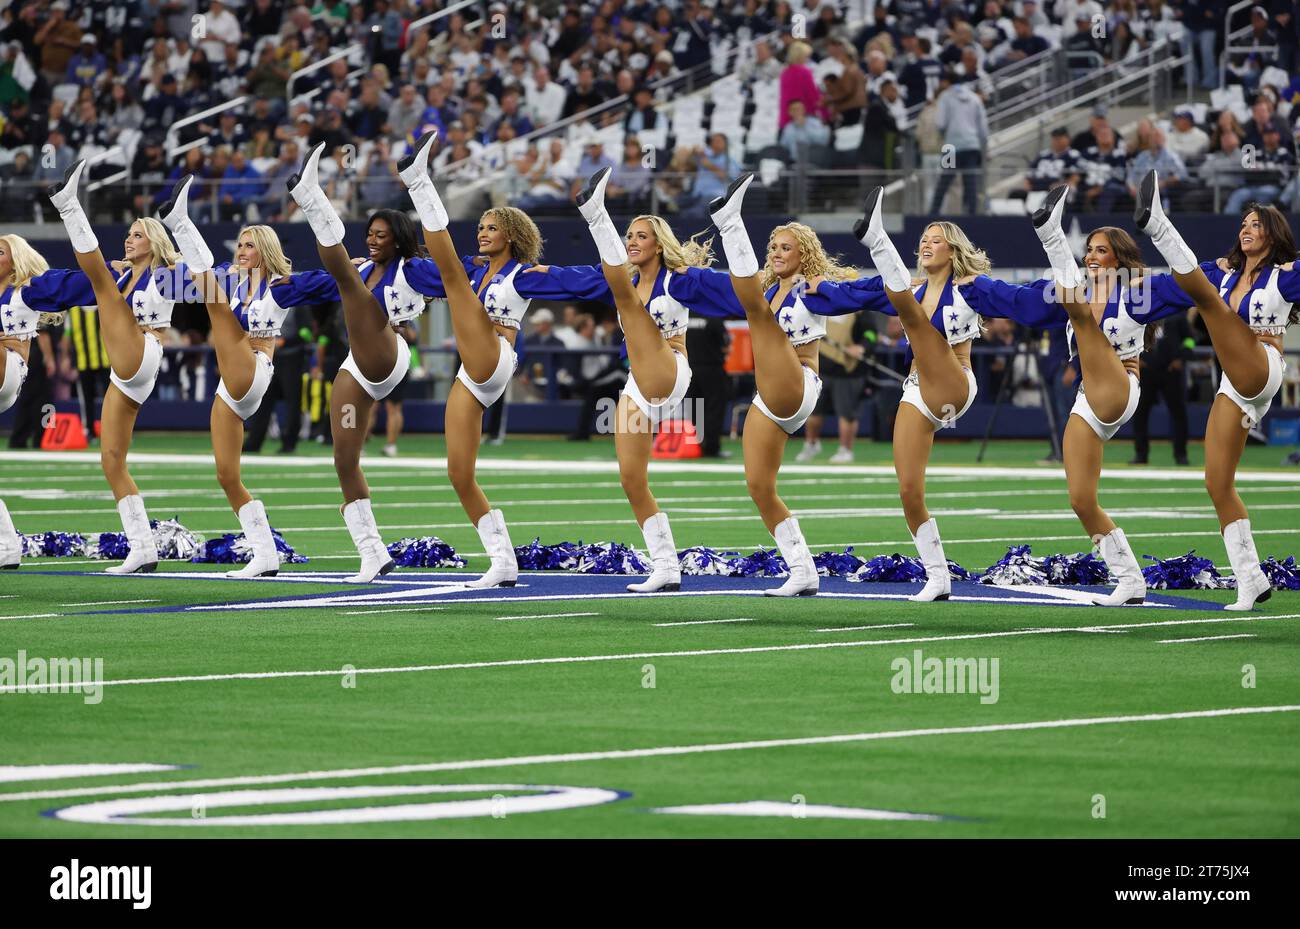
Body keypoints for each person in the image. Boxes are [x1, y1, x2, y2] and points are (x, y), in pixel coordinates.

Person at [965, 187, 1198, 606]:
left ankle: (1050, 232)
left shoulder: (1138, 290)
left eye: (1102, 251)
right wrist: (971, 285)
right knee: (1080, 498)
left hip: (1121, 386)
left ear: (1120, 259)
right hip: (1086, 399)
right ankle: (1129, 580)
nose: (1092, 256)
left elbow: (1191, 285)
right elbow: (1016, 301)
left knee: (1080, 313)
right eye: (1088, 249)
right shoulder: (1067, 293)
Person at [519, 186, 735, 593]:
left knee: (623, 293)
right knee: (631, 478)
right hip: (638, 381)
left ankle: (594, 211)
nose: (632, 242)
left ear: (658, 245)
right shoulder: (623, 280)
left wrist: (769, 286)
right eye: (628, 236)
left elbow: (729, 292)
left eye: (640, 236)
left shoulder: (679, 281)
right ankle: (666, 565)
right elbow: (579, 278)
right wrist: (544, 273)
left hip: (671, 368)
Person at [805, 193, 990, 602]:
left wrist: (1069, 299)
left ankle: (877, 237)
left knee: (906, 307)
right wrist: (819, 288)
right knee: (908, 490)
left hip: (954, 382)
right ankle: (938, 577)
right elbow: (856, 296)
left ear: (953, 250)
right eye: (924, 238)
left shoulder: (972, 289)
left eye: (936, 240)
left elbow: (1025, 301)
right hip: (917, 390)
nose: (926, 244)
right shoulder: (909, 288)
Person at [154, 175, 340, 578]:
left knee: (214, 299)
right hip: (230, 383)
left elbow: (330, 282)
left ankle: (181, 220)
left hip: (256, 368)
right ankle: (264, 553)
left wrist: (356, 268)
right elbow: (178, 279)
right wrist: (146, 268)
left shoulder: (279, 287)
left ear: (266, 251)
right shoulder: (225, 276)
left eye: (249, 245)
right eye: (239, 244)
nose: (241, 250)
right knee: (227, 475)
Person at [1135, 173, 1299, 610]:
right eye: (1243, 224)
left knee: (1206, 297)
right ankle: (1250, 580)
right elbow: (1164, 291)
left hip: (1264, 365)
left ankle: (1158, 224)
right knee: (1216, 481)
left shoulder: (1284, 276)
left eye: (1256, 225)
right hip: (1234, 382)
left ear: (1274, 234)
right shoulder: (1222, 275)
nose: (1246, 229)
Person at [396, 131, 548, 589]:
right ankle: (502, 561)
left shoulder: (524, 273)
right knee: (458, 472)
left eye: (491, 227)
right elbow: (425, 269)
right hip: (470, 371)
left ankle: (419, 180)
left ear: (512, 236)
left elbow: (580, 283)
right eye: (479, 226)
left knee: (453, 276)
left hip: (497, 355)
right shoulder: (474, 268)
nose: (482, 232)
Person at [708, 174, 856, 596]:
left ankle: (730, 221)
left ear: (803, 253)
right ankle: (802, 569)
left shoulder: (815, 289)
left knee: (752, 307)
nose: (775, 253)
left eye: (784, 247)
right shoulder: (766, 291)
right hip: (768, 395)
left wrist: (912, 292)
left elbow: (863, 293)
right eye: (772, 246)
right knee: (758, 485)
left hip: (801, 383)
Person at [798, 310, 871, 464]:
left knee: (847, 413)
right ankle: (811, 444)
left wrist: (861, 347)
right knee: (813, 411)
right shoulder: (822, 307)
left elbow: (872, 333)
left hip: (848, 371)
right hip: (821, 368)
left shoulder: (860, 311)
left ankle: (845, 450)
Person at [1131, 310, 1193, 466]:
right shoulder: (1142, 314)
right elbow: (1130, 338)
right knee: (1140, 413)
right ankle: (1141, 454)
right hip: (1146, 371)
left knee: (1178, 413)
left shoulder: (1177, 316)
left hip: (1171, 371)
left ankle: (1181, 455)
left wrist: (1181, 358)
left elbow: (1189, 340)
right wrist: (1136, 358)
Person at [929, 71, 987, 215]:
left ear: (948, 82)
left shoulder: (945, 97)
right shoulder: (975, 98)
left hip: (951, 147)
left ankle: (932, 215)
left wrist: (946, 135)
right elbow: (983, 129)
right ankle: (972, 217)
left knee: (944, 182)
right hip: (972, 146)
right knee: (971, 184)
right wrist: (982, 147)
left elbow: (940, 123)